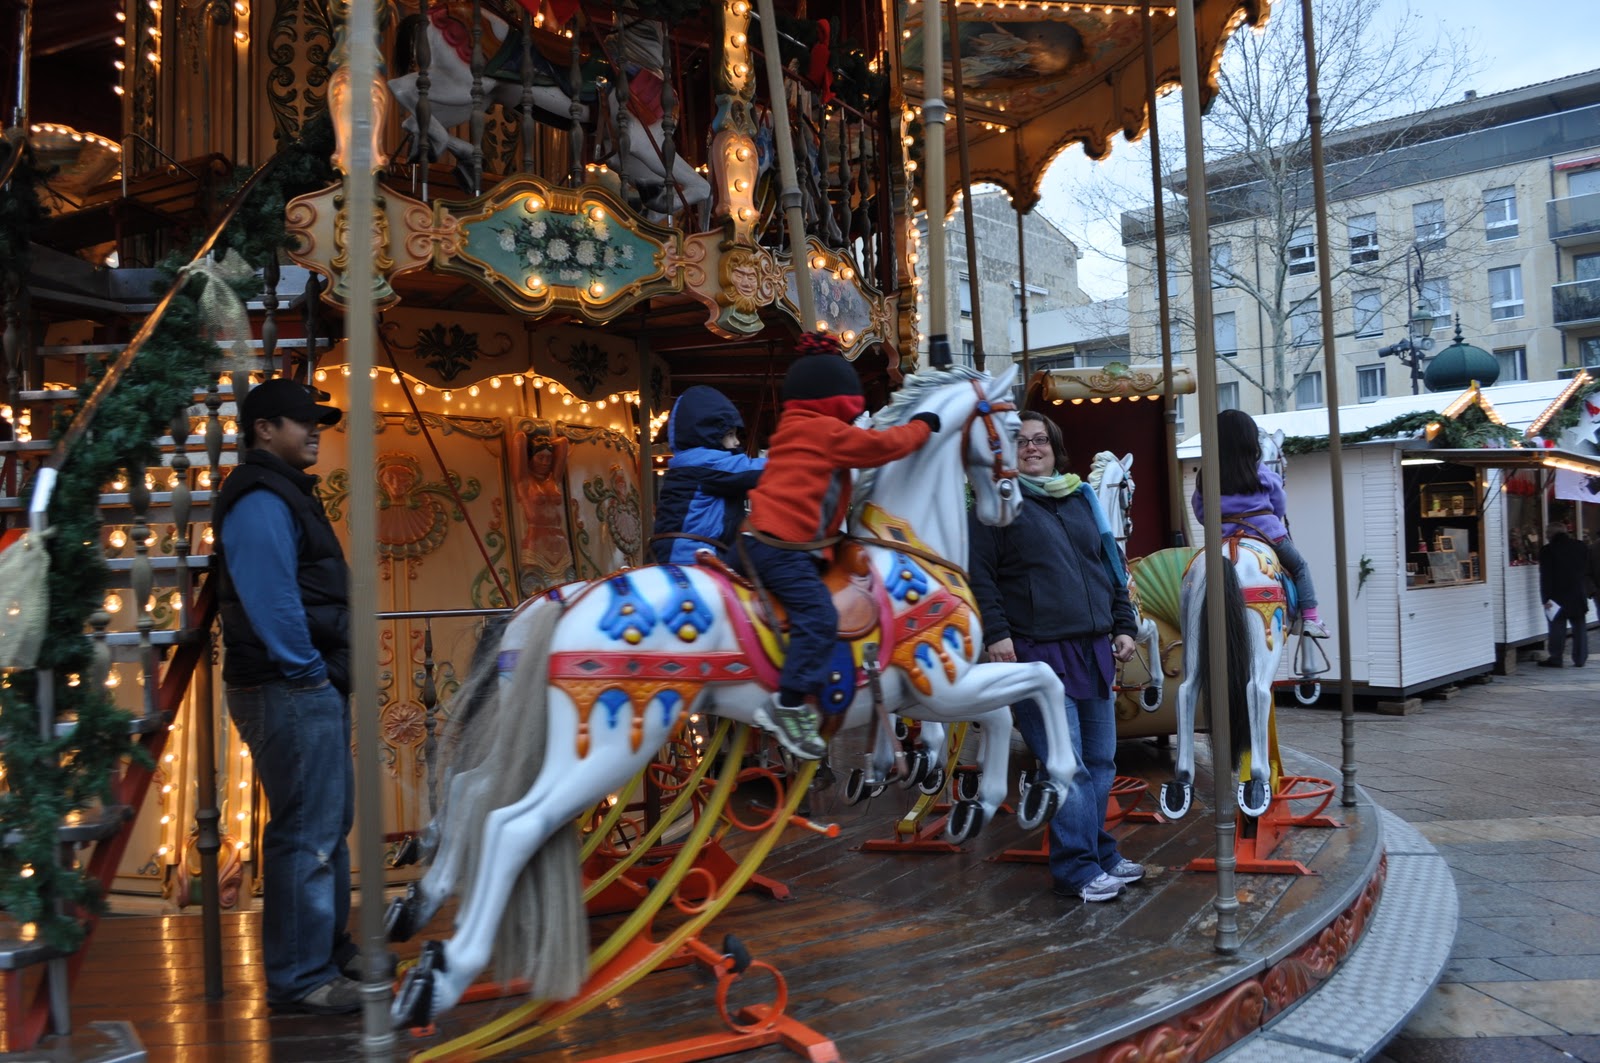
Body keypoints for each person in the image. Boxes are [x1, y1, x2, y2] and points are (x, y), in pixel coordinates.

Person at [213, 378, 363, 1015]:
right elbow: (271, 596)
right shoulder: (259, 496)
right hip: (288, 685)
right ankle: (302, 975)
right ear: (263, 430)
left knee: (326, 824)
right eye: (301, 421)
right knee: (307, 831)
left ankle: (328, 951)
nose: (315, 430)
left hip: (301, 681)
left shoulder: (282, 491)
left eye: (317, 421)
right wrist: (308, 673)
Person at [970, 411, 1144, 903]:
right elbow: (979, 573)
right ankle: (1076, 869)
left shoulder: (1080, 498)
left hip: (1092, 649)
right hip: (1038, 653)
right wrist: (996, 632)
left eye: (1040, 439)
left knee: (1101, 761)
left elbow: (1107, 567)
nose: (1031, 448)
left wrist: (1124, 624)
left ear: (1055, 446)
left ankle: (1101, 853)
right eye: (1021, 441)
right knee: (1067, 767)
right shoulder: (998, 503)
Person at [742, 332, 938, 760]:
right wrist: (922, 426)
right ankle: (787, 703)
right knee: (818, 615)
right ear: (835, 397)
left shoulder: (796, 426)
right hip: (781, 546)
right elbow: (880, 447)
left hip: (779, 541)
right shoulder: (823, 431)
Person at [1194, 409, 1327, 638]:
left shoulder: (1207, 475)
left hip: (1223, 536)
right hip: (1265, 534)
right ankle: (1311, 619)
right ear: (1249, 440)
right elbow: (1279, 502)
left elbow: (1200, 511)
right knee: (1299, 566)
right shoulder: (1259, 471)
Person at [651, 385, 766, 565]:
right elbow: (760, 470)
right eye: (729, 434)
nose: (736, 441)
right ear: (708, 435)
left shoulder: (694, 463)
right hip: (690, 553)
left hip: (683, 549)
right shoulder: (706, 463)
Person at [1539, 519, 1589, 668]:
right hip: (1578, 593)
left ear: (1551, 534)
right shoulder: (1580, 546)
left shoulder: (1547, 550)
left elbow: (1546, 576)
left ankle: (1556, 657)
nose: (1546, 536)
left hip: (1556, 595)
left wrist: (1545, 598)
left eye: (1547, 533)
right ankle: (1580, 658)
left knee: (1557, 628)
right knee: (1579, 627)